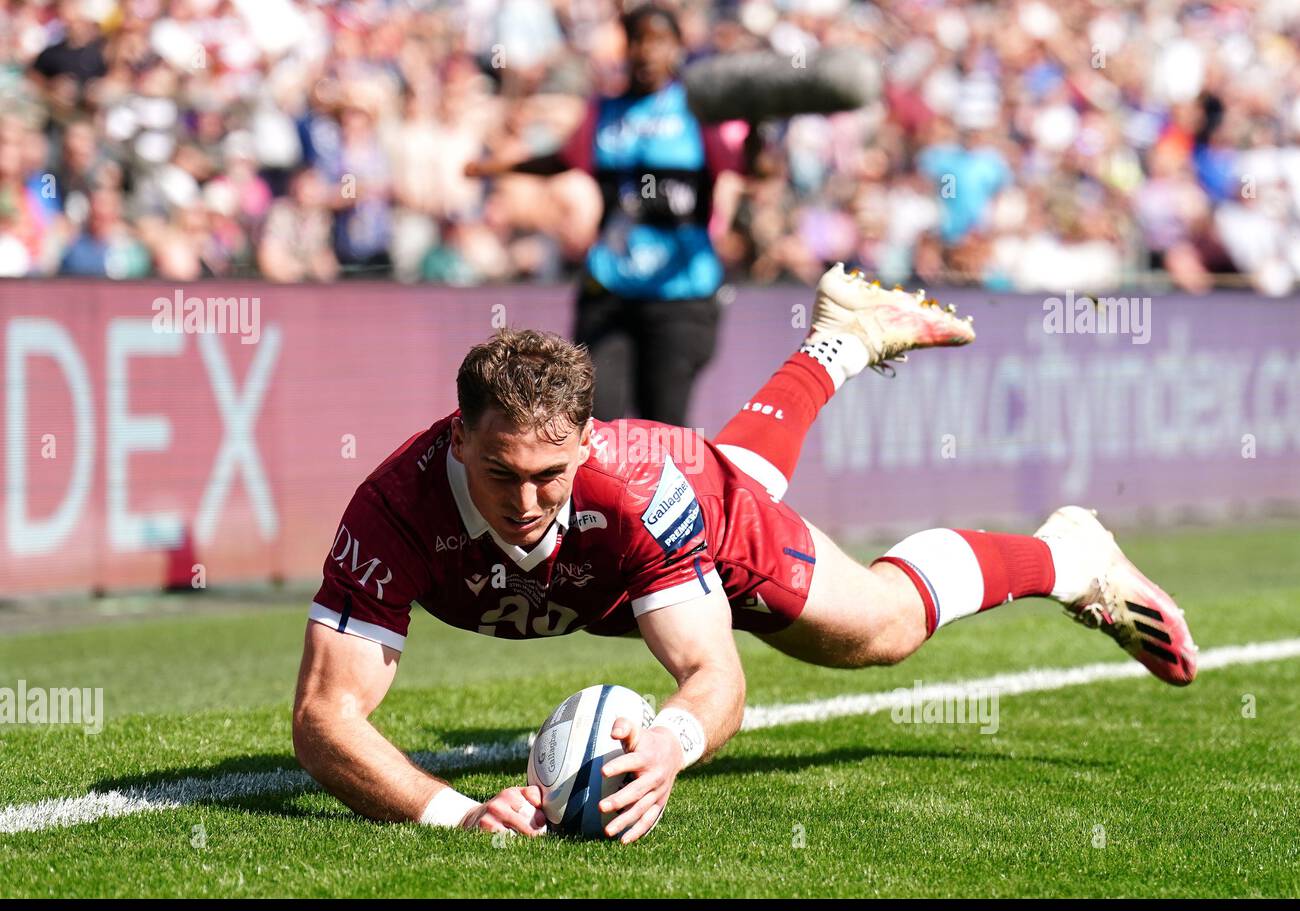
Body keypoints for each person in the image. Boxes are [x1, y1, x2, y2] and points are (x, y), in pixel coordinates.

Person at [293, 264, 1198, 844]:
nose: (526, 503)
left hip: (692, 524)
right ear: (457, 439)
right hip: (649, 527)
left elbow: (713, 677)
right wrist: (457, 815)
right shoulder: (391, 511)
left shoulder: (640, 491)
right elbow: (325, 718)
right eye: (500, 473)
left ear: (587, 444)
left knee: (875, 630)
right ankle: (839, 341)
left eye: (550, 475)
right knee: (742, 473)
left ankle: (1065, 555)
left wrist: (670, 743)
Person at [465, 3, 746, 425]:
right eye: (638, 41)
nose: (647, 53)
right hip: (610, 288)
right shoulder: (603, 113)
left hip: (681, 297)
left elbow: (752, 166)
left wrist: (762, 125)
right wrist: (498, 167)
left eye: (659, 42)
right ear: (625, 47)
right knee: (595, 424)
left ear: (678, 48)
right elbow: (563, 159)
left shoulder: (700, 113)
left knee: (663, 430)